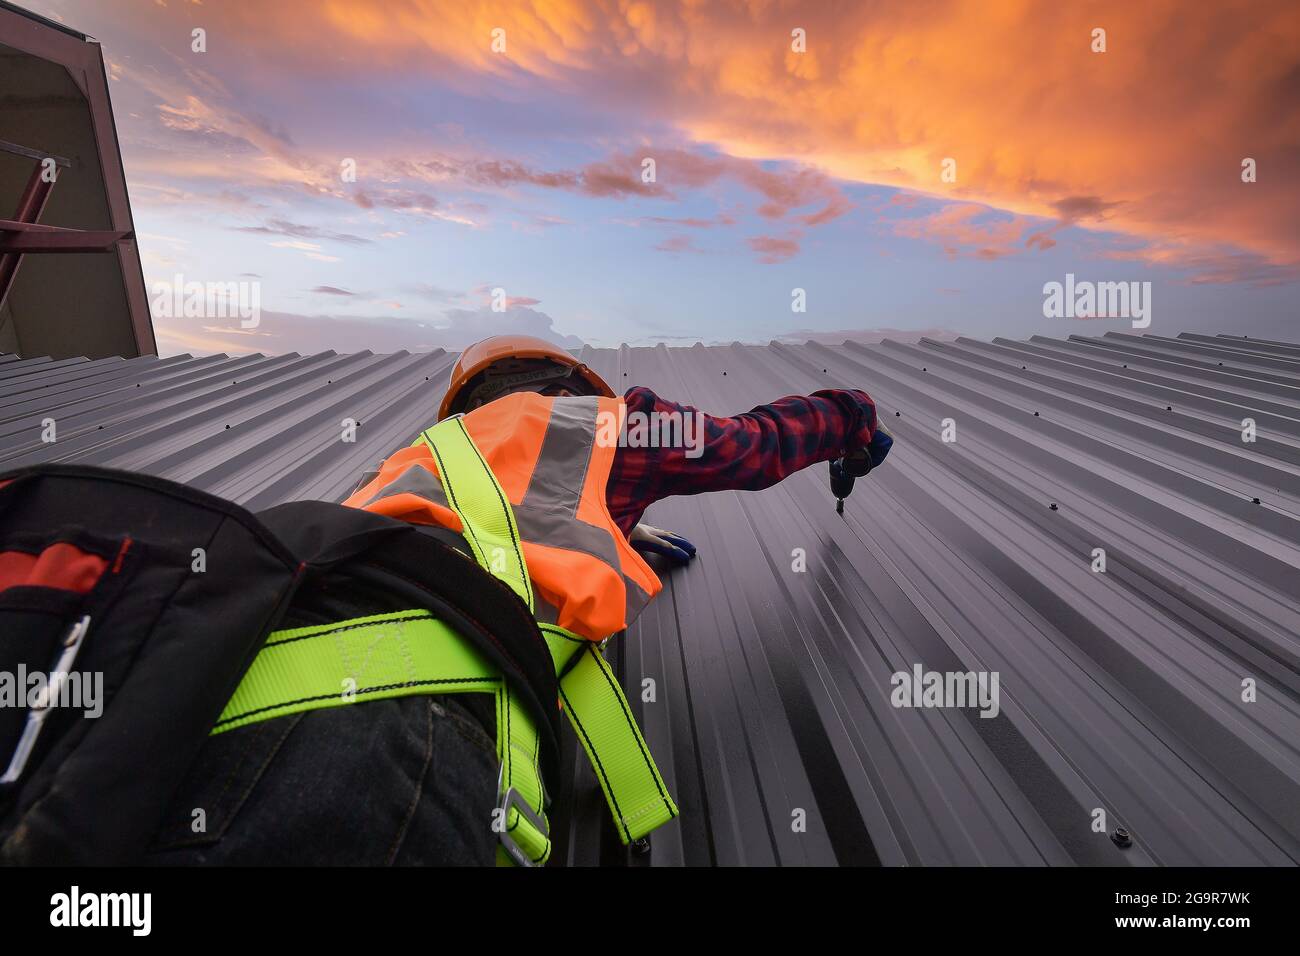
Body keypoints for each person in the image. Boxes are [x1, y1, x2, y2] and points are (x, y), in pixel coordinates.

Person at [145, 335, 892, 866]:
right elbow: (753, 445)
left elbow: (482, 530)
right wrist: (852, 415)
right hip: (396, 726)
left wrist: (614, 529)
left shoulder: (405, 468)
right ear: (572, 387)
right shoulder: (605, 425)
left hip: (233, 717)